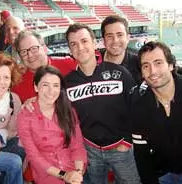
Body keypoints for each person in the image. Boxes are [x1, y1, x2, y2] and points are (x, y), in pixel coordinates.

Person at [64, 23, 140, 184]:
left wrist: (127, 140)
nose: (80, 47)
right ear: (70, 50)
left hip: (121, 147)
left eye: (84, 41)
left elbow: (136, 107)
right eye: (74, 44)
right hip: (89, 150)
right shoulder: (68, 82)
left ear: (94, 43)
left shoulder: (119, 72)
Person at [17, 65, 87, 184]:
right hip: (47, 172)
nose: (51, 91)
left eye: (56, 85)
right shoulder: (25, 115)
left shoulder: (67, 110)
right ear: (36, 87)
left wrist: (78, 173)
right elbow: (34, 155)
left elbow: (77, 145)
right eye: (45, 85)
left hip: (72, 167)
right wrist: (64, 175)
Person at [130, 41, 182, 184]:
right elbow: (142, 157)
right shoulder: (138, 108)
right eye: (146, 66)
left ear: (171, 65)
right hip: (164, 175)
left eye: (158, 63)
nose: (152, 71)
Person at [11, 30, 77, 102]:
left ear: (45, 48)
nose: (30, 55)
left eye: (34, 48)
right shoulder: (17, 84)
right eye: (24, 52)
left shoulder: (69, 64)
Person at [100, 15, 141, 83]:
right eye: (109, 36)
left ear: (128, 38)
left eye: (120, 35)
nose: (115, 40)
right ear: (103, 40)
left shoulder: (139, 63)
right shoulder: (93, 61)